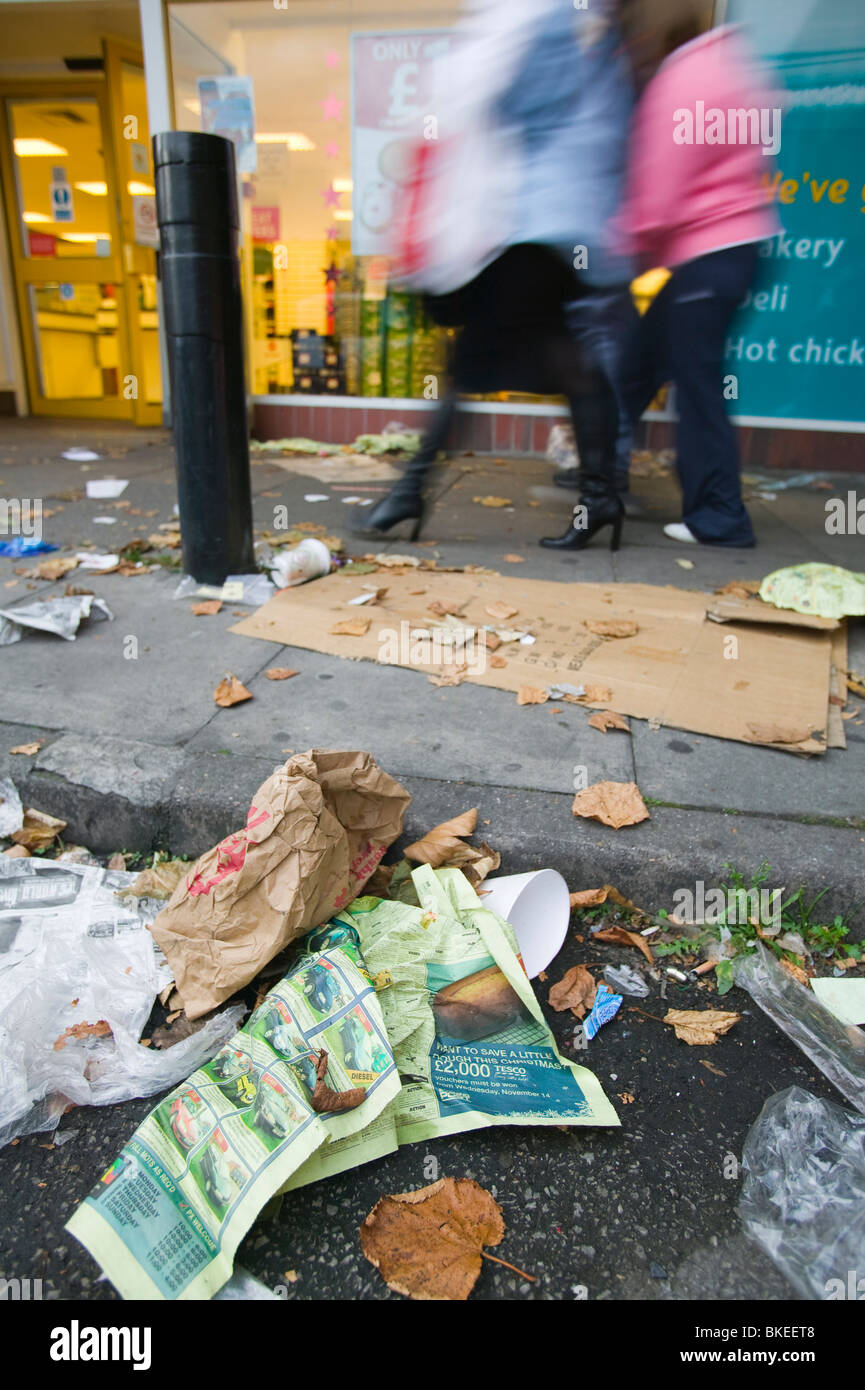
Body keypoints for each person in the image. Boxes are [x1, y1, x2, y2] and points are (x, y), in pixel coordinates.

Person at [352, 0, 634, 554]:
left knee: (471, 360)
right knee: (567, 359)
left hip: (535, 222)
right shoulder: (595, 39)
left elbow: (512, 103)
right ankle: (599, 497)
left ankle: (410, 490)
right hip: (566, 224)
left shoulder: (548, 18)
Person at [615, 14, 779, 547]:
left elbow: (661, 184)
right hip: (734, 249)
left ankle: (720, 516)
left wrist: (632, 249)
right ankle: (601, 471)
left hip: (705, 252)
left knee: (698, 382)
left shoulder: (682, 77)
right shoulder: (736, 66)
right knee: (641, 360)